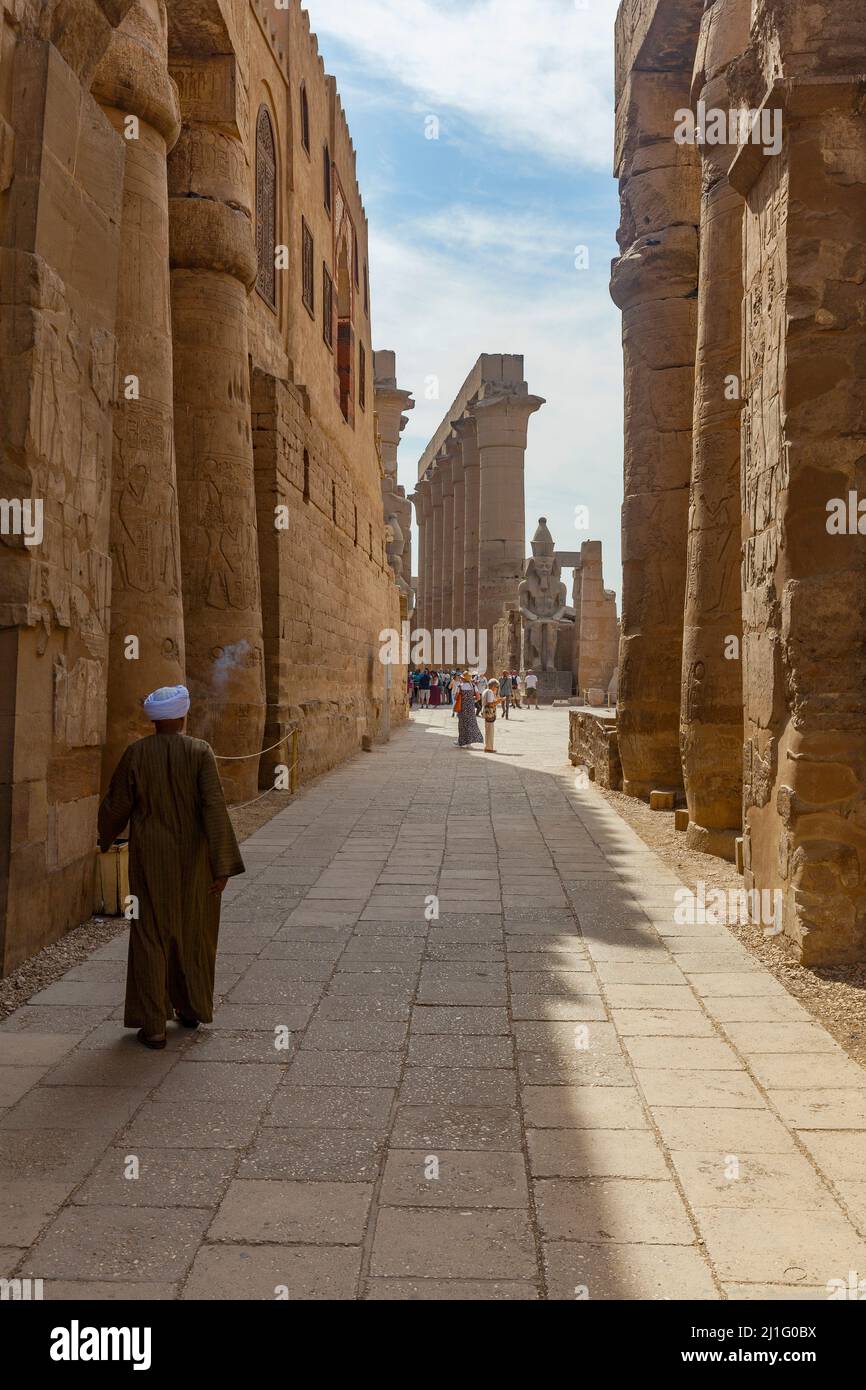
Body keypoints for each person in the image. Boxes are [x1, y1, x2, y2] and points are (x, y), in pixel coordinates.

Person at [97, 685, 245, 1050]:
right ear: (181, 717)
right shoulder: (200, 752)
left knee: (149, 934)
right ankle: (191, 1007)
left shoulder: (136, 754)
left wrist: (105, 837)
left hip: (150, 858)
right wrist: (221, 864)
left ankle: (154, 1027)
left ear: (155, 720)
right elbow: (213, 807)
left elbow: (117, 806)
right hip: (194, 858)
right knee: (194, 929)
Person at [455, 670, 483, 749]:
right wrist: (472, 699)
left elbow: (456, 697)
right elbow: (478, 697)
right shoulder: (473, 686)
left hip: (462, 708)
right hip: (470, 708)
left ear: (463, 678)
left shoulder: (460, 686)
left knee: (462, 724)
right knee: (471, 724)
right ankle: (469, 743)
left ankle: (461, 741)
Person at [481, 678, 503, 752]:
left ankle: (488, 746)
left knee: (488, 730)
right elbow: (490, 704)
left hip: (486, 712)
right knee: (490, 731)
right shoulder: (490, 692)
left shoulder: (486, 691)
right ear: (493, 686)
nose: (497, 688)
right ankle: (489, 748)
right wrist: (499, 701)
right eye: (496, 687)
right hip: (489, 712)